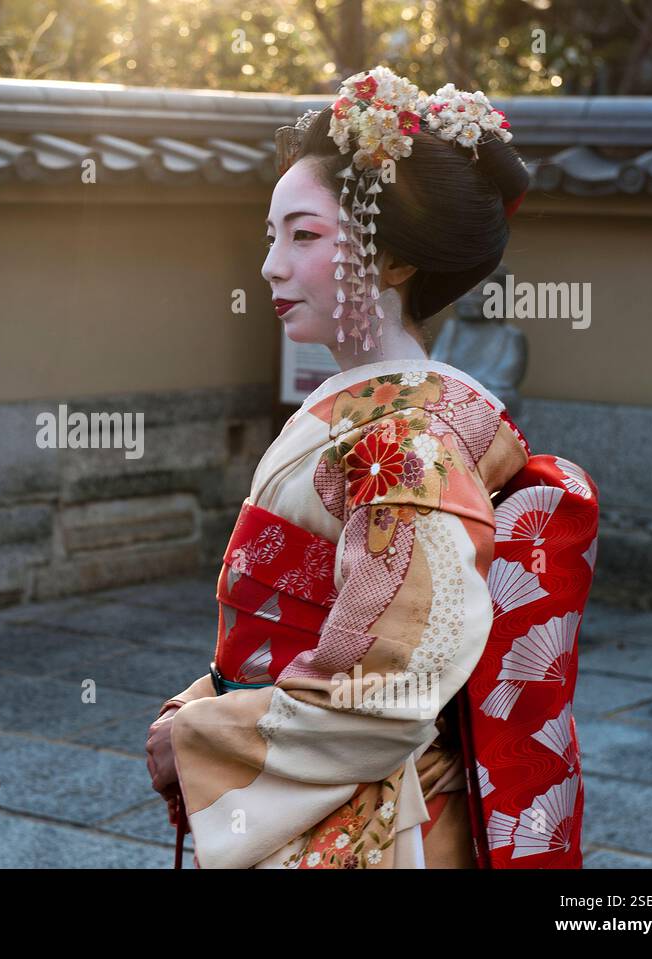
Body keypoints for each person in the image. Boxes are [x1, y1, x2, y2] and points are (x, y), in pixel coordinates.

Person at [145, 67, 547, 868]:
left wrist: (202, 733)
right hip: (320, 770)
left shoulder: (409, 438)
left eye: (303, 236)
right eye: (271, 236)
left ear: (393, 260)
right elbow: (280, 619)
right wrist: (204, 695)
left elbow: (393, 685)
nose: (270, 265)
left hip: (375, 811)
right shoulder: (361, 411)